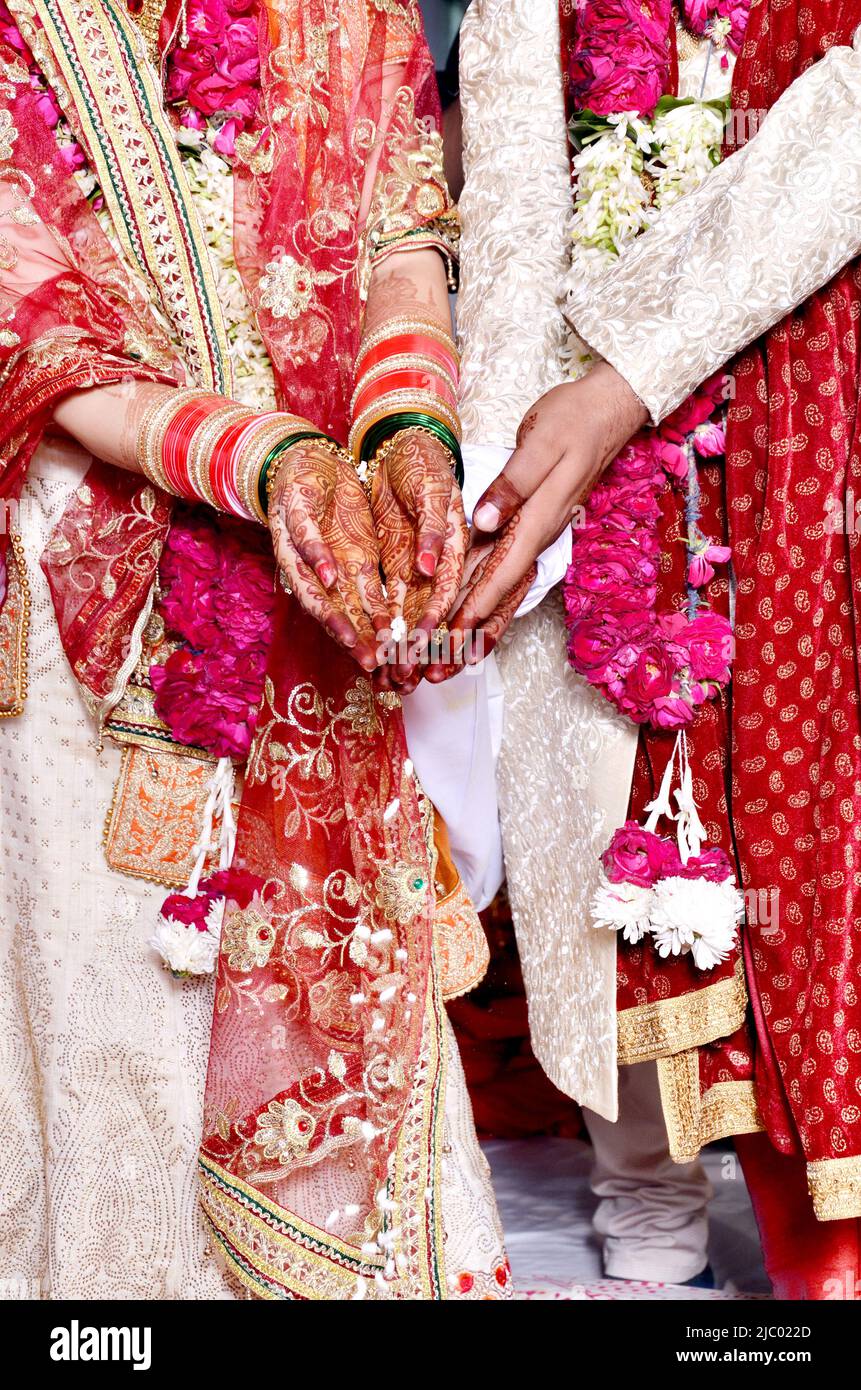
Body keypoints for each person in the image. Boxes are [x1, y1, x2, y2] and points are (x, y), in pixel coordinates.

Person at [0, 0, 511, 1301]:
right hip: (82, 567)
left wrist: (409, 430)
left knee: (340, 962)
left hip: (309, 559)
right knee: (115, 1007)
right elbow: (31, 317)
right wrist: (266, 456)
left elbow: (400, 219)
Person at [450, 0, 861, 1300]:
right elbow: (513, 228)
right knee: (590, 791)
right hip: (599, 441)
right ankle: (643, 1203)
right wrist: (499, 487)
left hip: (816, 416)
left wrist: (625, 373)